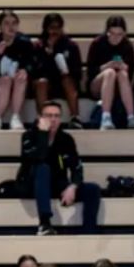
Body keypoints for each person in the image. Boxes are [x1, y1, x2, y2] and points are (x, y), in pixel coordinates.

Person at [17, 100, 102, 235]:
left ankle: (89, 232)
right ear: (41, 118)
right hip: (31, 185)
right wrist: (43, 134)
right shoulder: (29, 136)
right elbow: (38, 157)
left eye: (56, 116)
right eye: (49, 116)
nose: (53, 120)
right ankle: (44, 223)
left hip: (56, 184)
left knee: (93, 190)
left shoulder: (66, 139)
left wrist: (73, 186)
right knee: (43, 168)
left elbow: (76, 167)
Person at [0, 9, 34, 131]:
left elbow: (32, 62)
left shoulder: (25, 42)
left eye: (14, 23)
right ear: (0, 27)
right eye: (7, 23)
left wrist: (26, 70)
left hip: (19, 83)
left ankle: (15, 117)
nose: (11, 27)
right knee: (6, 80)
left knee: (21, 78)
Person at [84, 15, 134, 130]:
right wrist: (106, 66)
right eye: (112, 33)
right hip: (97, 85)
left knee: (122, 74)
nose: (115, 38)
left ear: (124, 34)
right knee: (110, 73)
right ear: (107, 32)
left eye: (119, 34)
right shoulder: (98, 43)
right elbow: (91, 71)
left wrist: (124, 67)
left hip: (119, 85)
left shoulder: (127, 45)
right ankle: (106, 117)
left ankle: (131, 117)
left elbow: (131, 74)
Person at [31, 12, 84, 128]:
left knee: (68, 80)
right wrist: (48, 55)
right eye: (51, 28)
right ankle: (43, 119)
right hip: (46, 83)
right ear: (45, 29)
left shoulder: (71, 46)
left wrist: (66, 72)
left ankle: (75, 117)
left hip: (64, 83)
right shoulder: (38, 46)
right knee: (42, 82)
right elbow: (35, 71)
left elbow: (77, 73)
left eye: (58, 28)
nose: (54, 32)